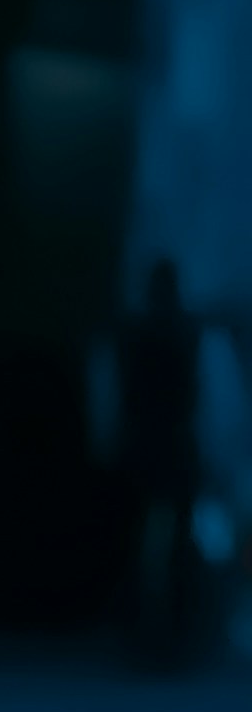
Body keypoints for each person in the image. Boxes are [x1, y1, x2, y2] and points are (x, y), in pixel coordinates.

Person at [120, 254, 209, 667]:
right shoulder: (183, 333)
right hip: (172, 445)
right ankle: (176, 634)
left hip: (149, 446)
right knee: (174, 546)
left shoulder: (141, 334)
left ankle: (148, 634)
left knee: (145, 542)